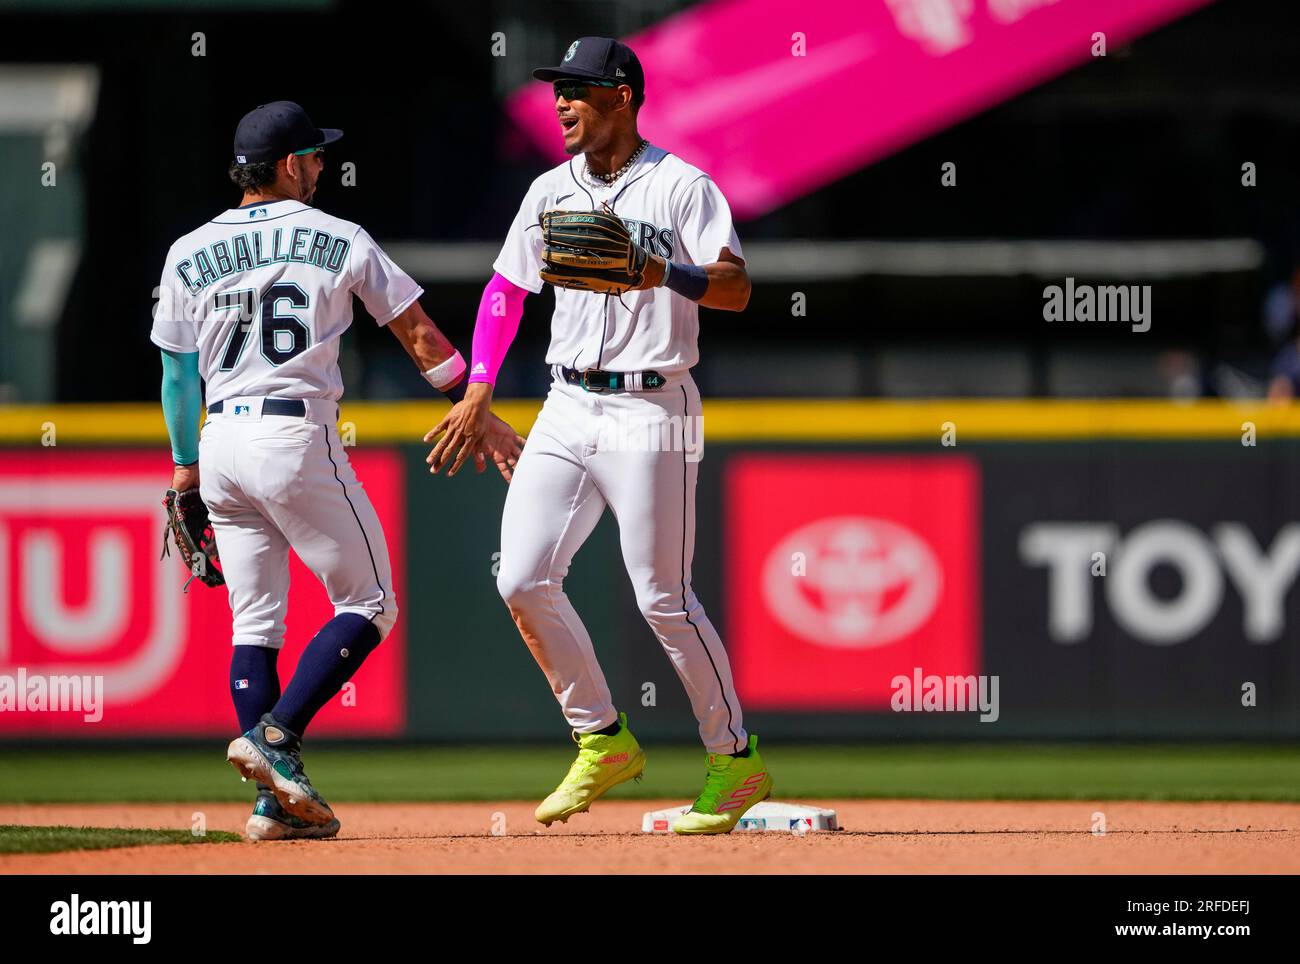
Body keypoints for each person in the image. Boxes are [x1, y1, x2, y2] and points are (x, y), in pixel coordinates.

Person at [427, 38, 773, 834]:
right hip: (566, 403)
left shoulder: (683, 186)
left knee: (662, 598)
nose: (560, 103)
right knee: (521, 577)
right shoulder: (549, 190)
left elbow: (738, 289)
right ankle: (602, 737)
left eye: (577, 90)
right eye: (557, 91)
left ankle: (734, 758)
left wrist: (661, 272)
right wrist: (479, 386)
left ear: (622, 95)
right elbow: (506, 291)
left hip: (654, 408)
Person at [152, 101, 522, 840]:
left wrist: (187, 472)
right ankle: (276, 738)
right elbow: (417, 335)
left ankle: (274, 804)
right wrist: (470, 404)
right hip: (294, 435)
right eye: (314, 156)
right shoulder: (338, 236)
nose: (322, 167)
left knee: (256, 623)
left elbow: (176, 375)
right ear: (289, 164)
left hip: (219, 439)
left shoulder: (188, 248)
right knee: (372, 600)